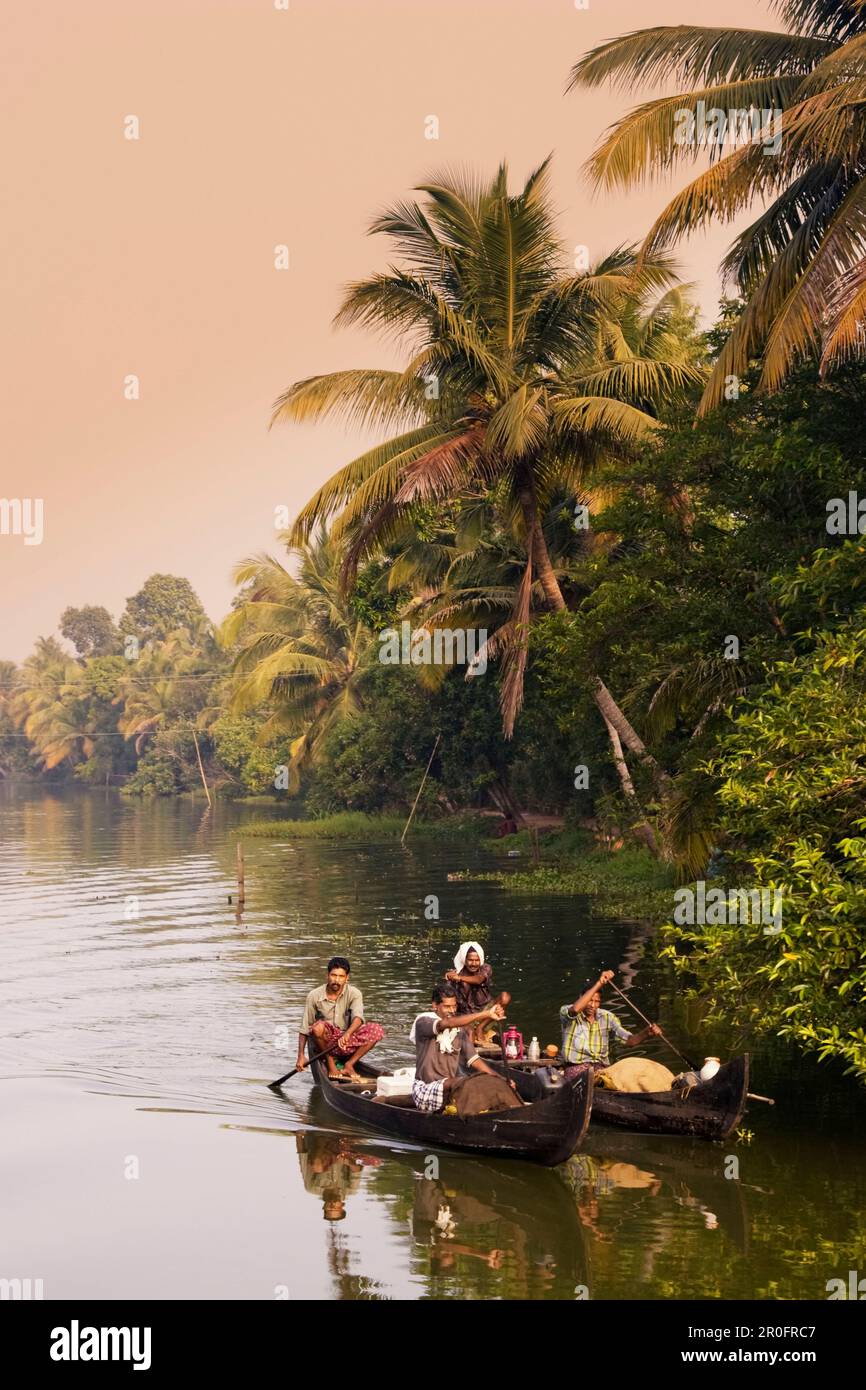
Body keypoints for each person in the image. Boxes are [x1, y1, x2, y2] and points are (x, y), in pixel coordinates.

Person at [410, 983, 506, 1112]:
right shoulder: (424, 1022)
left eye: (454, 1006)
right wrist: (486, 1014)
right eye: (447, 1006)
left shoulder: (459, 1030)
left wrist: (500, 1079)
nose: (452, 1010)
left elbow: (475, 1060)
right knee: (463, 1082)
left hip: (450, 1088)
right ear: (435, 1006)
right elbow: (447, 1023)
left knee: (483, 1083)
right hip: (426, 1088)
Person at [296, 956, 384, 1081]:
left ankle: (349, 1064)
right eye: (333, 975)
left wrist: (347, 1034)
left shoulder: (355, 993)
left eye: (341, 976)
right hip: (326, 1044)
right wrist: (301, 1055)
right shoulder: (314, 995)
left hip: (345, 1042)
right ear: (328, 975)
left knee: (377, 1029)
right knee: (317, 1027)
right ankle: (331, 1062)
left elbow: (358, 1018)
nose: (336, 980)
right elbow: (305, 1028)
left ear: (347, 978)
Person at [559, 969, 660, 1078]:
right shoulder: (567, 1011)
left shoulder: (607, 1017)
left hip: (601, 1070)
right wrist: (600, 983)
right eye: (590, 1000)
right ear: (581, 997)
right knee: (585, 1080)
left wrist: (646, 1033)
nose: (593, 1005)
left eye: (597, 1001)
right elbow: (576, 1009)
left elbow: (629, 1041)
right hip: (576, 1068)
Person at [444, 942, 493, 1043]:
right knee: (469, 1032)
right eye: (470, 960)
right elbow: (447, 999)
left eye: (477, 960)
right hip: (466, 1015)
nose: (474, 963)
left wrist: (459, 978)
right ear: (464, 960)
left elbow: (479, 979)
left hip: (485, 1012)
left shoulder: (485, 968)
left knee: (505, 997)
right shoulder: (455, 975)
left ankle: (480, 1028)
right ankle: (470, 1054)